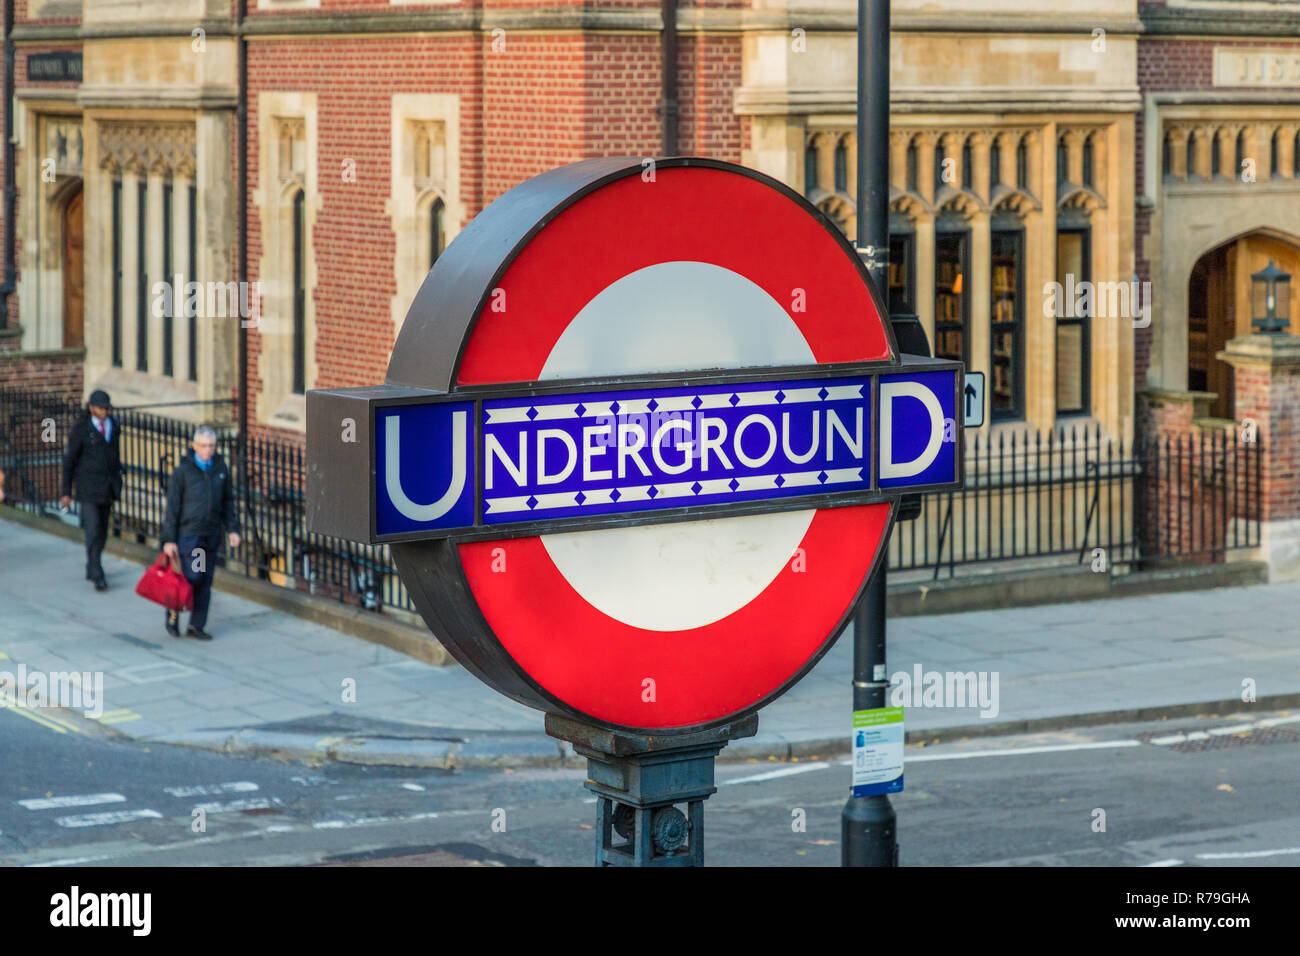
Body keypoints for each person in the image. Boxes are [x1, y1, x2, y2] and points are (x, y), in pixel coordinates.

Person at [161, 425, 240, 640]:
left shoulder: (221, 469)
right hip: (190, 534)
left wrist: (233, 529)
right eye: (204, 446)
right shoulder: (183, 472)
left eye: (211, 446)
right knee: (193, 577)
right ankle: (174, 613)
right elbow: (172, 507)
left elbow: (228, 502)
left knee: (204, 580)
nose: (208, 450)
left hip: (210, 533)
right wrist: (169, 539)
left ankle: (196, 625)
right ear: (194, 446)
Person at [61, 389, 122, 592]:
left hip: (107, 487)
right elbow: (69, 461)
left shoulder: (114, 426)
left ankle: (92, 563)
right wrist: (66, 491)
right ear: (92, 408)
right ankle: (98, 573)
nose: (104, 411)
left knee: (103, 530)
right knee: (93, 528)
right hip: (88, 487)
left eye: (106, 407)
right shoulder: (82, 430)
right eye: (101, 408)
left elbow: (115, 456)